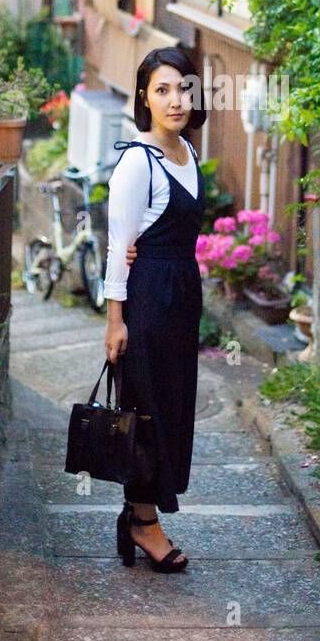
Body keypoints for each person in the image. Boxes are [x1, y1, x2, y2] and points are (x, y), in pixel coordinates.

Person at [104, 46, 207, 573]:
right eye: (162, 90)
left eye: (183, 88)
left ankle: (135, 515)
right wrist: (115, 321)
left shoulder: (189, 155)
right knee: (144, 410)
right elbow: (117, 242)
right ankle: (145, 524)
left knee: (171, 407)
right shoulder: (135, 161)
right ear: (144, 97)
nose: (175, 100)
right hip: (145, 300)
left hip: (181, 298)